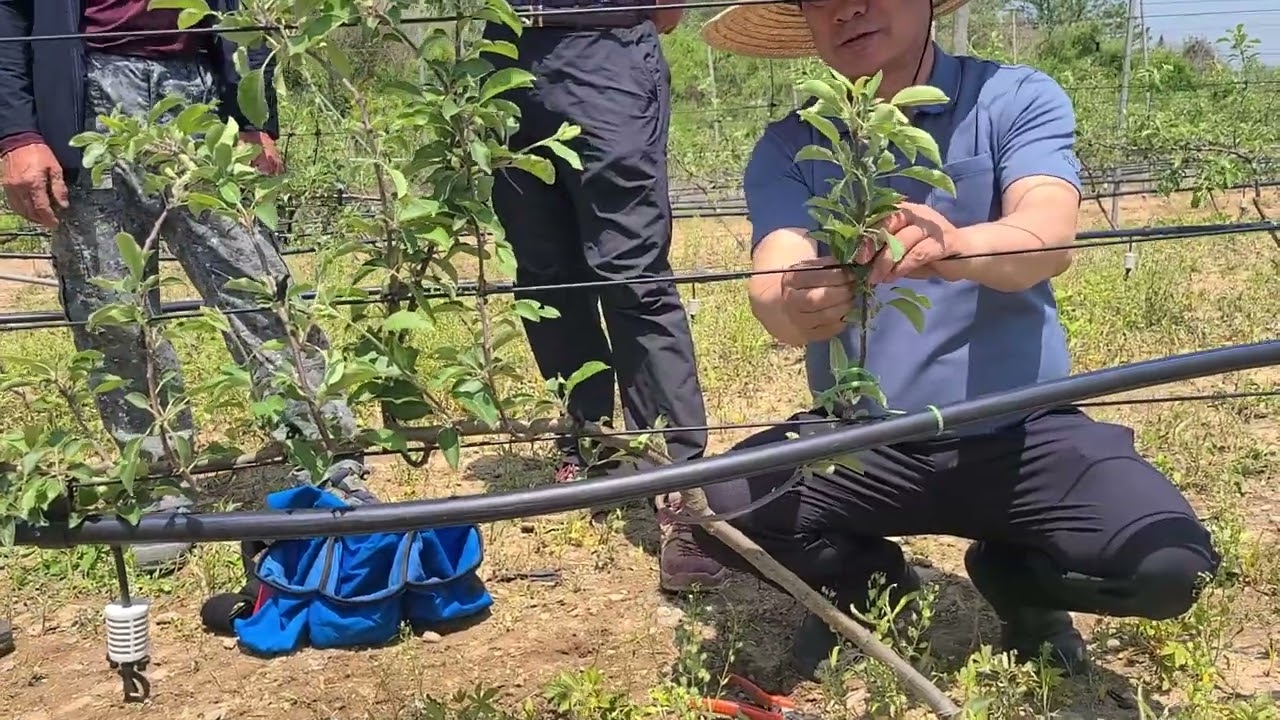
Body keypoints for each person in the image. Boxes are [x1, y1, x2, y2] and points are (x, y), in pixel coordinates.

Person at [692, 0, 1221, 679]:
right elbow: (773, 281)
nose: (846, 9)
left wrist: (959, 243)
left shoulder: (1011, 97)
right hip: (862, 442)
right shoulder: (796, 144)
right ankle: (869, 587)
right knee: (723, 506)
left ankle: (1020, 584)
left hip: (1022, 436)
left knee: (1168, 565)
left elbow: (1048, 236)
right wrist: (799, 298)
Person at [0, 1, 376, 574]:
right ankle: (156, 486)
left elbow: (243, 9)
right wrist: (16, 132)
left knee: (259, 287)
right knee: (115, 312)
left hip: (200, 95)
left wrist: (255, 114)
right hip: (83, 94)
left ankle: (328, 461)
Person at [484, 1, 727, 592]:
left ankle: (676, 486)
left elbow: (668, 12)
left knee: (632, 272)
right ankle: (589, 441)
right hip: (506, 58)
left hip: (605, 49)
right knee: (545, 275)